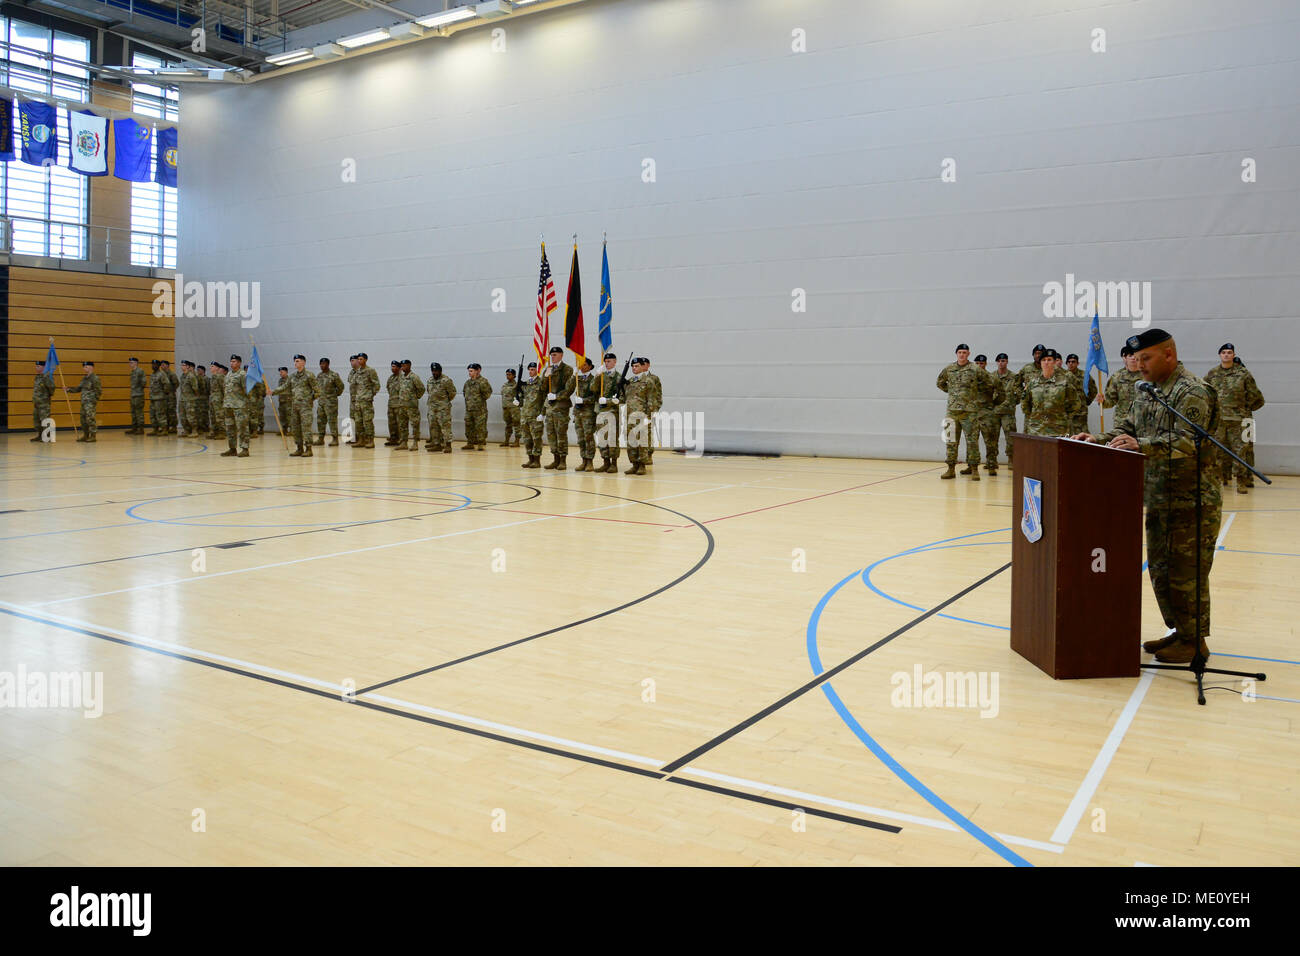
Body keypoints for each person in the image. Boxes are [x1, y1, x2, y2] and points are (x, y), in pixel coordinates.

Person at [1074, 328, 1220, 664]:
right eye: (1136, 359)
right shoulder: (1148, 391)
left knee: (1187, 571)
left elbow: (1190, 442)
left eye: (1146, 358)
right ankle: (1179, 633)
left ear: (1169, 354)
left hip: (1191, 500)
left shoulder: (1191, 391)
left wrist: (1144, 446)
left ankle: (1195, 641)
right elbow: (1128, 429)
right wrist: (1097, 439)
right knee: (1161, 568)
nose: (1138, 366)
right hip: (1157, 495)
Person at [1205, 344, 1265, 495]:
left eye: (1229, 352)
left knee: (1240, 452)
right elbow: (1205, 393)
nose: (1226, 355)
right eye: (1223, 352)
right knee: (1217, 452)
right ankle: (1218, 480)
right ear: (1220, 355)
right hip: (1219, 421)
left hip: (1238, 420)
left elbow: (1256, 397)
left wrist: (1244, 410)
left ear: (1233, 355)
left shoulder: (1243, 374)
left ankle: (1241, 482)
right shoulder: (1212, 374)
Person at [936, 343, 996, 480]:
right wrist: (952, 392)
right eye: (960, 352)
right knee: (951, 440)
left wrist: (975, 393)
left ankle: (974, 469)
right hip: (952, 412)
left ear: (968, 354)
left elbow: (989, 382)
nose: (962, 355)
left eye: (964, 352)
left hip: (970, 412)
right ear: (956, 354)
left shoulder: (975, 369)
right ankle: (950, 469)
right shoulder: (949, 369)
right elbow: (940, 383)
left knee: (972, 441)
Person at [1022, 349, 1082, 437]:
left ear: (1054, 362)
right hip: (1036, 431)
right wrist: (1036, 417)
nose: (1046, 363)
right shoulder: (1032, 383)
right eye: (1043, 360)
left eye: (1049, 360)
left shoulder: (1064, 382)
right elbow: (1025, 405)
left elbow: (1075, 404)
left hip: (1058, 431)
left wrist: (1061, 417)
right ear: (1041, 363)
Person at [541, 346, 574, 468]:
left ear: (561, 355)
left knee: (561, 433)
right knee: (551, 434)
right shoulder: (548, 369)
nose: (552, 357)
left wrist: (556, 396)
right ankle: (555, 458)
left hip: (561, 406)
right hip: (549, 407)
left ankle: (563, 460)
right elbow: (542, 388)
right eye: (551, 355)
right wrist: (545, 377)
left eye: (555, 354)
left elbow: (569, 389)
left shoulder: (567, 370)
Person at [283, 354, 321, 457]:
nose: (296, 363)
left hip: (305, 407)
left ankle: (308, 449)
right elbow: (284, 387)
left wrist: (310, 399)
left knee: (306, 428)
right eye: (295, 361)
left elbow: (318, 391)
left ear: (303, 362)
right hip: (295, 407)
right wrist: (272, 392)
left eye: (298, 361)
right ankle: (299, 448)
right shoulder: (292, 377)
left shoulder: (309, 375)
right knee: (296, 428)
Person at [973, 354, 1004, 476]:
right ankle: (971, 466)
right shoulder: (969, 378)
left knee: (990, 441)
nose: (980, 366)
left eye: (982, 363)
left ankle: (991, 465)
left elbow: (1002, 393)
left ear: (985, 364)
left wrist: (993, 404)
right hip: (972, 414)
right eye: (977, 363)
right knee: (972, 441)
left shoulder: (991, 378)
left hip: (987, 413)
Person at [623, 357, 652, 475]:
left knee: (642, 442)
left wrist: (649, 416)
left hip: (642, 415)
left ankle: (642, 465)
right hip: (630, 416)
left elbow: (652, 400)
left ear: (642, 366)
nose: (634, 368)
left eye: (637, 366)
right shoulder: (629, 381)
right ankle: (634, 464)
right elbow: (624, 397)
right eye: (633, 366)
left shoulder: (648, 381)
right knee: (631, 441)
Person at [594, 352, 622, 473]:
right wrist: (597, 375)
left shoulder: (619, 378)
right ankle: (605, 462)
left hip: (612, 412)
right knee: (602, 438)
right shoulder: (601, 376)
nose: (607, 363)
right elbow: (592, 389)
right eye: (605, 361)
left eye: (609, 361)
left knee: (612, 439)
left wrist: (609, 400)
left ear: (615, 362)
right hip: (601, 412)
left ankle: (614, 464)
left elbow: (622, 397)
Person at [1101, 345, 1142, 426]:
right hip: (1122, 422)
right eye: (1130, 356)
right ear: (1125, 358)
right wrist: (1102, 402)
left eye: (1135, 355)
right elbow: (1111, 401)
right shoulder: (1117, 377)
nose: (1133, 358)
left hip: (1142, 421)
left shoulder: (1148, 375)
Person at [572, 358, 600, 471]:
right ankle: (583, 460)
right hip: (578, 413)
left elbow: (596, 396)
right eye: (580, 365)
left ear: (590, 366)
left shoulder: (593, 379)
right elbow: (568, 387)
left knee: (588, 438)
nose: (582, 367)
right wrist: (573, 375)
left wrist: (584, 400)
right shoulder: (577, 379)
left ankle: (590, 462)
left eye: (584, 365)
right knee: (580, 438)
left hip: (588, 413)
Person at [992, 352, 1018, 468]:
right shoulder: (991, 376)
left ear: (1007, 362)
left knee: (1011, 438)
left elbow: (1020, 393)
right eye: (999, 361)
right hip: (994, 412)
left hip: (1008, 413)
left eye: (1004, 361)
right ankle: (992, 461)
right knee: (992, 438)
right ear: (996, 362)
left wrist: (1012, 403)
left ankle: (1011, 460)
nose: (1001, 363)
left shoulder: (1013, 377)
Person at [65, 361, 102, 442]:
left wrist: (94, 400)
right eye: (84, 367)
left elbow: (98, 391)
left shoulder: (95, 378)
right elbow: (79, 388)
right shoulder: (84, 378)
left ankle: (93, 436)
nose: (85, 368)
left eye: (87, 367)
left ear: (92, 367)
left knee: (90, 419)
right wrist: (68, 389)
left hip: (90, 402)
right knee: (83, 419)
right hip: (84, 402)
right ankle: (86, 435)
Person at [221, 355, 250, 457]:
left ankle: (245, 449)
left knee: (242, 427)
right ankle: (232, 448)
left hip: (239, 406)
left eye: (234, 361)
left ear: (239, 363)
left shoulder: (243, 374)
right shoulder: (228, 374)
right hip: (228, 405)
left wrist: (244, 403)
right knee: (230, 428)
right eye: (231, 361)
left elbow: (247, 390)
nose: (231, 363)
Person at [1063, 353, 1098, 435]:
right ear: (1066, 363)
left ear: (1077, 363)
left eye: (1073, 362)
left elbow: (1093, 390)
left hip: (1080, 412)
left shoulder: (1085, 376)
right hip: (1066, 411)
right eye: (1069, 362)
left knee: (1082, 433)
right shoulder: (1062, 376)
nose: (1071, 364)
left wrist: (1086, 401)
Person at [351, 353, 381, 449]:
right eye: (358, 359)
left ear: (365, 360)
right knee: (358, 422)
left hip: (366, 401)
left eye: (361, 359)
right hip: (358, 400)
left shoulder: (370, 371)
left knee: (367, 421)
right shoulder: (357, 372)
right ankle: (361, 440)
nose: (359, 361)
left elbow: (377, 385)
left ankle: (371, 440)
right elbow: (355, 385)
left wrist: (370, 394)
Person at [518, 362, 545, 468]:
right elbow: (521, 399)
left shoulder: (541, 383)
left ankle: (537, 461)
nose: (531, 371)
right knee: (527, 439)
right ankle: (530, 459)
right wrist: (517, 399)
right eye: (529, 369)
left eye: (533, 369)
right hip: (525, 415)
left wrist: (543, 413)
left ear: (537, 370)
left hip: (535, 415)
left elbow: (544, 399)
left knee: (536, 439)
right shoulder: (526, 384)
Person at [425, 363, 456, 453]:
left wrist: (444, 402)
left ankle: (448, 445)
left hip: (443, 408)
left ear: (440, 371)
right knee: (433, 427)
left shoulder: (446, 380)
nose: (434, 373)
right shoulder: (430, 380)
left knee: (445, 427)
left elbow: (452, 393)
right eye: (433, 371)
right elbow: (429, 391)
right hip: (432, 407)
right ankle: (437, 444)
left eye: (436, 371)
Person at [463, 363, 493, 450]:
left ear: (477, 371)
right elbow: (465, 393)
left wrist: (478, 401)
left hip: (480, 409)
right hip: (469, 409)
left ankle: (480, 443)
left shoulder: (483, 382)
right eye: (469, 371)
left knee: (480, 427)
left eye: (471, 371)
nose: (470, 373)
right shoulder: (467, 383)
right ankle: (470, 443)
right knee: (468, 426)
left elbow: (487, 394)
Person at [315, 357, 345, 446]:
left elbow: (341, 387)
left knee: (332, 421)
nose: (322, 365)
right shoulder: (319, 376)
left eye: (324, 364)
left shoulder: (334, 375)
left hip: (331, 403)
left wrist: (334, 395)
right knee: (320, 421)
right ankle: (321, 438)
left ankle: (335, 439)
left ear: (328, 365)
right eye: (321, 364)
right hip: (321, 402)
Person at [396, 359, 424, 451]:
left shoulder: (414, 377)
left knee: (415, 424)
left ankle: (415, 442)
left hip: (411, 406)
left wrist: (414, 398)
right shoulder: (401, 377)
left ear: (409, 366)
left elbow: (421, 389)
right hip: (401, 405)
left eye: (404, 365)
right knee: (402, 425)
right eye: (401, 365)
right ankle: (404, 442)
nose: (402, 367)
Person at [642, 357, 663, 465]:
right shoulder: (636, 378)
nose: (642, 366)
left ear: (648, 365)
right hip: (638, 410)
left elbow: (658, 394)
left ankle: (649, 454)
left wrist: (656, 407)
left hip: (650, 409)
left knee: (648, 432)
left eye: (644, 364)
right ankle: (640, 456)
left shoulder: (654, 378)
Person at [31, 359, 55, 442]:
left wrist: (46, 397)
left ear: (44, 367)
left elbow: (52, 388)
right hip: (37, 403)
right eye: (36, 366)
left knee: (45, 420)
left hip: (44, 403)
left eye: (38, 366)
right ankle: (40, 435)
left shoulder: (47, 376)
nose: (36, 368)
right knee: (37, 421)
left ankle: (47, 437)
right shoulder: (37, 377)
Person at [179, 360, 200, 437]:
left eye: (184, 365)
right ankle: (186, 430)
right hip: (182, 399)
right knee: (183, 417)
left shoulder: (191, 376)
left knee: (191, 416)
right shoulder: (182, 376)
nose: (182, 367)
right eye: (181, 365)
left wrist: (194, 397)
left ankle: (194, 431)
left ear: (188, 366)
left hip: (190, 400)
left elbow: (196, 388)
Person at [500, 368, 521, 447]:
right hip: (506, 408)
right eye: (507, 374)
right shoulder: (505, 385)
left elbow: (521, 396)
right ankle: (506, 441)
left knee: (516, 424)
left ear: (514, 376)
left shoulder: (516, 385)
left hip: (514, 408)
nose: (508, 376)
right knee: (508, 424)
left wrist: (519, 403)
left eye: (510, 374)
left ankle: (517, 441)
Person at [127, 357, 147, 435]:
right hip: (133, 394)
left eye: (131, 362)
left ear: (136, 363)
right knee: (133, 412)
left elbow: (144, 382)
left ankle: (141, 429)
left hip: (138, 395)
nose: (130, 364)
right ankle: (134, 428)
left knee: (139, 412)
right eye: (129, 362)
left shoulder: (140, 371)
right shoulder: (133, 372)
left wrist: (139, 389)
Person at [384, 360, 403, 446]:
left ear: (399, 368)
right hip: (391, 403)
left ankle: (401, 439)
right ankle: (393, 438)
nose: (392, 368)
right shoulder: (391, 378)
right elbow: (388, 388)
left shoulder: (402, 377)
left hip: (400, 404)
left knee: (400, 422)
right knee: (391, 423)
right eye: (392, 366)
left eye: (394, 366)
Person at [149, 359, 168, 436]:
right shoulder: (152, 375)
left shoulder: (162, 374)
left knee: (160, 414)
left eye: (155, 364)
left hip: (160, 398)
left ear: (158, 366)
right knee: (152, 414)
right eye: (152, 364)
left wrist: (164, 394)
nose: (153, 366)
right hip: (153, 398)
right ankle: (155, 429)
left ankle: (164, 429)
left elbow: (166, 385)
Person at [208, 362, 226, 438]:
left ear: (217, 368)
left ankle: (222, 432)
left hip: (219, 400)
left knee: (220, 416)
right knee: (213, 416)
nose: (210, 368)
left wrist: (223, 399)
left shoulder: (220, 377)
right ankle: (214, 432)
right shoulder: (213, 377)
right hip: (213, 400)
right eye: (210, 366)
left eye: (212, 366)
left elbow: (224, 389)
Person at [162, 360, 179, 434]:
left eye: (163, 365)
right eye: (161, 365)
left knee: (171, 412)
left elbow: (176, 383)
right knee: (165, 412)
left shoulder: (172, 374)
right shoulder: (162, 374)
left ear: (167, 366)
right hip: (164, 396)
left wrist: (171, 390)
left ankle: (174, 427)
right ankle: (167, 427)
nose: (162, 366)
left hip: (170, 396)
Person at [346, 355, 360, 445]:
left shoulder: (362, 372)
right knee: (352, 418)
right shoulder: (351, 372)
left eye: (353, 360)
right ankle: (353, 438)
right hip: (352, 400)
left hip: (360, 399)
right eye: (350, 361)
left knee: (360, 419)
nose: (352, 362)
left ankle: (362, 438)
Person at [195, 363, 210, 438]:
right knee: (198, 414)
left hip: (204, 399)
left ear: (203, 371)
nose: (197, 371)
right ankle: (200, 427)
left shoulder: (206, 379)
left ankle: (206, 427)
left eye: (199, 370)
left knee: (204, 413)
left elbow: (208, 389)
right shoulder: (196, 378)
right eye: (197, 370)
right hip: (198, 399)